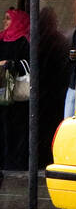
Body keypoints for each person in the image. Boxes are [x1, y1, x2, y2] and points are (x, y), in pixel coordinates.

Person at [36, 8, 70, 167]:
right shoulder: (58, 40)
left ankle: (41, 155)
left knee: (41, 126)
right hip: (55, 91)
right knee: (52, 127)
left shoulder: (37, 39)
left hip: (41, 90)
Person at [0, 9, 30, 171]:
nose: (5, 22)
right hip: (2, 89)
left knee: (17, 128)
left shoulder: (24, 41)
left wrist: (10, 63)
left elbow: (29, 64)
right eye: (5, 19)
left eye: (8, 19)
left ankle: (17, 162)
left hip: (17, 92)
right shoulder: (1, 38)